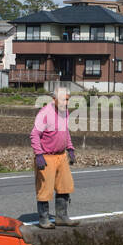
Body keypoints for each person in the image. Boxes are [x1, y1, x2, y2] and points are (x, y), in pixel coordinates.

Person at [30, 86, 79, 229]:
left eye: (67, 100)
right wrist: (38, 154)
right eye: (63, 99)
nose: (66, 103)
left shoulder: (65, 113)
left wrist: (70, 148)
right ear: (54, 99)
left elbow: (65, 132)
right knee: (45, 189)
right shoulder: (44, 113)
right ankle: (44, 219)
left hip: (61, 155)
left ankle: (61, 216)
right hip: (46, 156)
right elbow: (34, 135)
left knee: (65, 186)